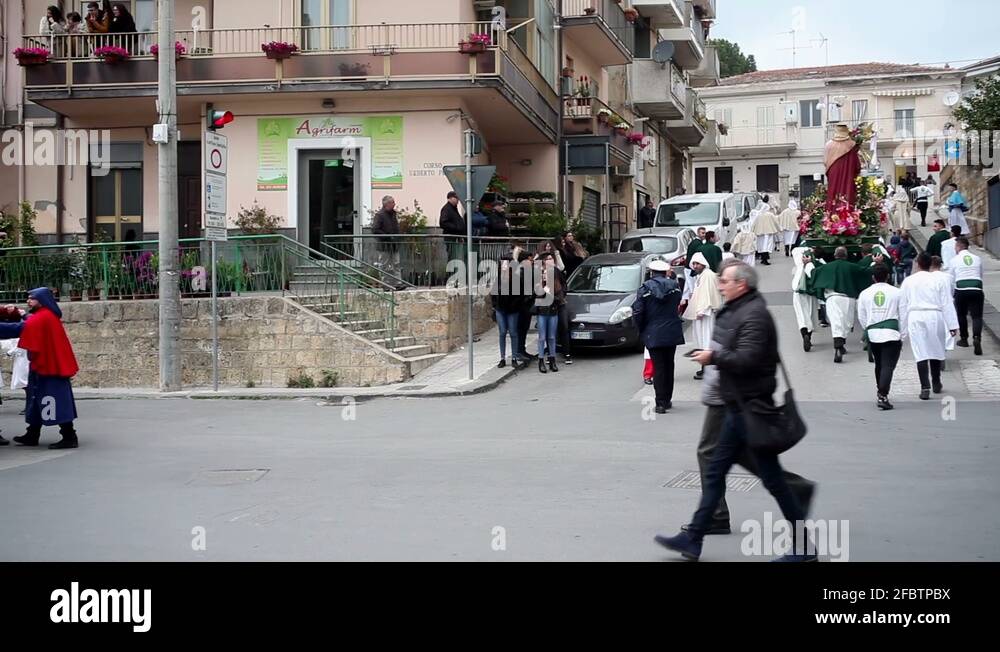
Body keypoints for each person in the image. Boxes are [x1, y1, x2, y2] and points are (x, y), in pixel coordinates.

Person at [655, 260, 816, 562]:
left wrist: (713, 357)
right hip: (735, 405)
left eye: (725, 280)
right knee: (715, 471)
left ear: (741, 284)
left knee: (774, 482)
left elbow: (749, 359)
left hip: (751, 406)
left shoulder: (754, 315)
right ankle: (693, 538)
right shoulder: (739, 308)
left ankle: (805, 548)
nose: (720, 284)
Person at [0, 289, 80, 449]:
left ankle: (69, 435)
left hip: (50, 368)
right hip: (44, 365)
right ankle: (32, 433)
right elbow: (27, 321)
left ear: (42, 301)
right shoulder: (44, 315)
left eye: (32, 299)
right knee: (36, 400)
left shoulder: (42, 318)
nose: (28, 301)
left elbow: (18, 328)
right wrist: (21, 314)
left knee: (56, 400)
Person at [900, 253, 959, 400]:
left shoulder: (909, 281)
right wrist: (952, 324)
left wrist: (902, 329)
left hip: (916, 315)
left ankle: (924, 386)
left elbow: (903, 305)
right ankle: (936, 381)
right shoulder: (938, 280)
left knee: (920, 351)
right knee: (936, 348)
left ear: (918, 264)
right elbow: (947, 302)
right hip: (935, 315)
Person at [632, 260, 684, 413]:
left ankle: (660, 402)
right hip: (671, 330)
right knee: (669, 365)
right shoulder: (675, 286)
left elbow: (638, 312)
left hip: (653, 331)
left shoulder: (644, 289)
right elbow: (677, 304)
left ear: (651, 272)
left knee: (659, 367)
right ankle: (667, 399)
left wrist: (641, 329)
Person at [811, 246, 873, 363]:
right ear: (846, 256)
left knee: (836, 322)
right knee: (846, 323)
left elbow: (813, 272)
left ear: (834, 255)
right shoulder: (852, 266)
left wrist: (809, 263)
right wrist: (874, 261)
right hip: (848, 298)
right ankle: (839, 345)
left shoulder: (826, 267)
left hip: (833, 298)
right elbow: (867, 271)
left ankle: (839, 345)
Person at [857, 266, 904, 410]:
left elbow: (862, 316)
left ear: (873, 278)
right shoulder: (897, 292)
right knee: (888, 365)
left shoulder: (865, 294)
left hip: (873, 333)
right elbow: (903, 313)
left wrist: (868, 329)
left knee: (879, 364)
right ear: (888, 276)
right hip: (891, 333)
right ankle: (883, 394)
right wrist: (903, 332)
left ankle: (880, 391)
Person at [683, 252, 722, 380]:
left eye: (697, 263)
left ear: (703, 263)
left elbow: (707, 295)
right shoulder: (702, 275)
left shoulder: (708, 275)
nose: (695, 266)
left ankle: (708, 368)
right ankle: (705, 366)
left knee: (707, 339)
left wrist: (702, 311)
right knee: (702, 339)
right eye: (693, 263)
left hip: (706, 314)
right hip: (702, 314)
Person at [950, 237, 984, 355]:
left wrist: (952, 294)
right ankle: (977, 337)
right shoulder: (977, 258)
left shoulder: (954, 260)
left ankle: (964, 339)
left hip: (961, 288)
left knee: (961, 314)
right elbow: (980, 274)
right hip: (976, 287)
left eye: (955, 247)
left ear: (959, 247)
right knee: (977, 316)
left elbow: (952, 278)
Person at [491, 256, 526, 369]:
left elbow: (521, 295)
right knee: (502, 332)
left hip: (512, 310)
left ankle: (514, 357)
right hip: (500, 309)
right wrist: (495, 306)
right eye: (503, 264)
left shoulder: (516, 279)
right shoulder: (498, 279)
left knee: (513, 332)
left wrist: (515, 306)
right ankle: (502, 358)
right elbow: (493, 293)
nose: (504, 267)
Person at [533, 251, 563, 373]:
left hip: (553, 309)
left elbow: (562, 290)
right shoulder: (538, 275)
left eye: (552, 258)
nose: (551, 261)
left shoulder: (556, 274)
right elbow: (534, 293)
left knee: (551, 337)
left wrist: (553, 296)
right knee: (542, 337)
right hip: (542, 310)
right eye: (548, 259)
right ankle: (541, 360)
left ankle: (552, 359)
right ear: (544, 262)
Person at [792, 246, 819, 352]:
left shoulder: (798, 264)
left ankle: (804, 335)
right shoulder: (811, 265)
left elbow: (795, 250)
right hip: (810, 294)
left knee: (801, 315)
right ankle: (809, 335)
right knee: (810, 314)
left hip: (798, 293)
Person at [371, 195, 402, 280]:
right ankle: (385, 283)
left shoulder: (393, 214)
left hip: (394, 244)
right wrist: (387, 236)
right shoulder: (379, 215)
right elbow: (375, 230)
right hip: (384, 244)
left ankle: (398, 282)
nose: (394, 204)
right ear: (387, 204)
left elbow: (396, 227)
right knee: (384, 264)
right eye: (392, 202)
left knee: (397, 263)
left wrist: (397, 237)